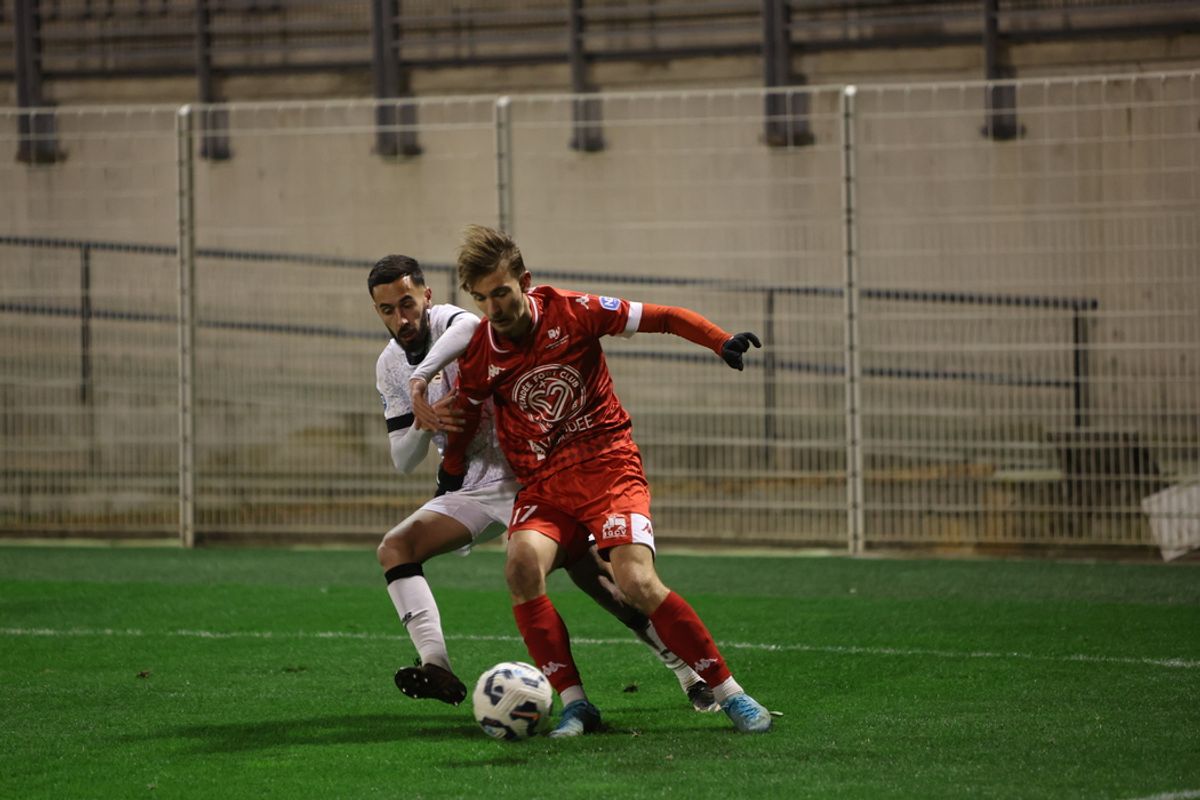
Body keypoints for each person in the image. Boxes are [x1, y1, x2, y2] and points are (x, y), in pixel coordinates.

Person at [438, 226, 772, 736]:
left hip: (608, 468)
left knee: (636, 581)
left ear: (524, 281)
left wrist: (718, 340)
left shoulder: (574, 311)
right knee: (521, 566)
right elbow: (463, 412)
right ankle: (576, 705)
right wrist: (451, 472)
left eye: (501, 292)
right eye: (482, 298)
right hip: (545, 486)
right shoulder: (480, 351)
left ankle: (730, 694)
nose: (493, 308)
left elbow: (660, 316)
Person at [368, 254, 718, 711]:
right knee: (396, 548)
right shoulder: (387, 364)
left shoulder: (453, 321)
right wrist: (422, 417)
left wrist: (422, 378)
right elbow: (402, 459)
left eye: (408, 303)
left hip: (529, 475)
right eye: (388, 310)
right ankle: (436, 664)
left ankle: (688, 673)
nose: (402, 317)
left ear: (427, 296)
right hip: (471, 486)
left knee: (605, 583)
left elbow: (470, 329)